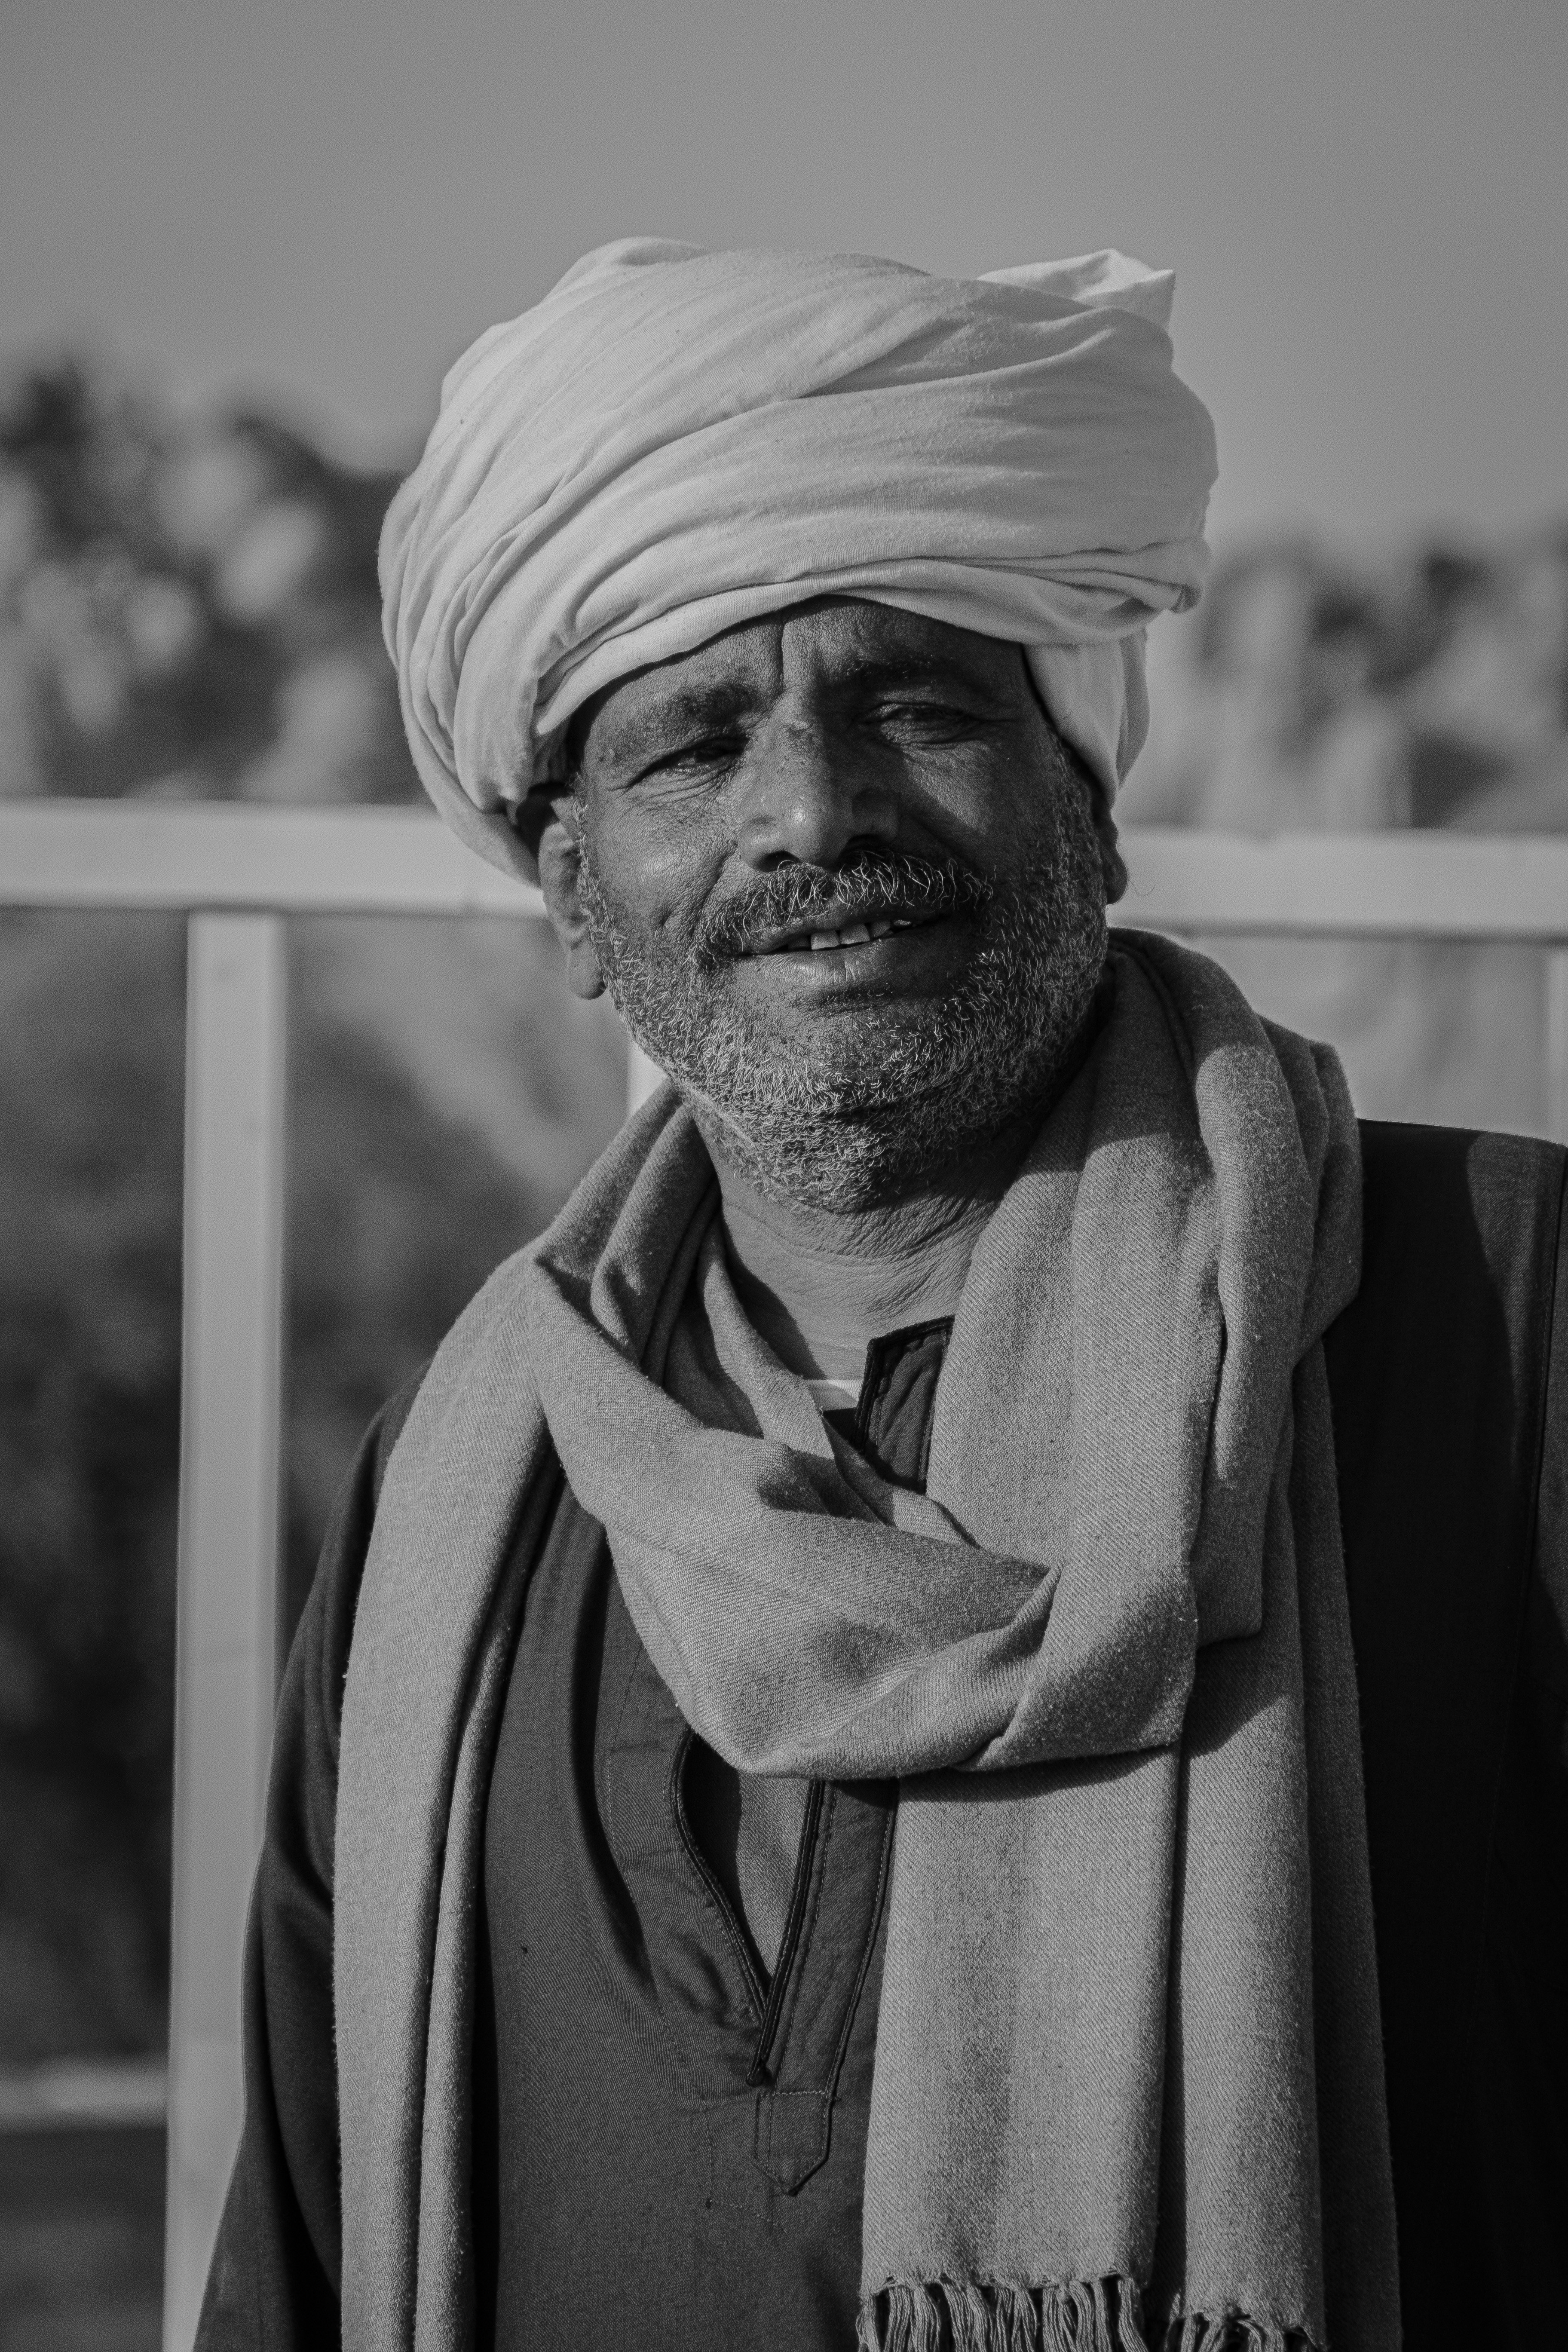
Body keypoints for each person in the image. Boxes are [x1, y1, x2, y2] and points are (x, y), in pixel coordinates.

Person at [197, 242, 1567, 2352]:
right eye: (692, 744)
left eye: (919, 705)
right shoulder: (465, 1496)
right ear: (573, 893)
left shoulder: (1505, 1317)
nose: (815, 813)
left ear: (1090, 806)